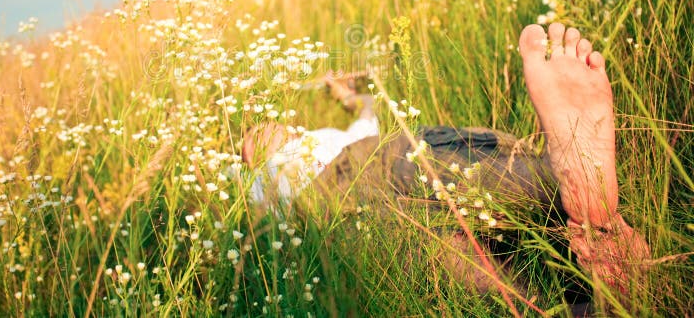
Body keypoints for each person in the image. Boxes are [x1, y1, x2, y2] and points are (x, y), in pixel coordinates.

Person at [241, 23, 650, 300]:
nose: (260, 130)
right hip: (330, 197)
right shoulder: (256, 181)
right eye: (250, 136)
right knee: (421, 246)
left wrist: (345, 91)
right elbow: (262, 230)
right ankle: (589, 270)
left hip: (380, 152)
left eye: (266, 126)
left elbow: (367, 109)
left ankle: (571, 187)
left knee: (454, 173)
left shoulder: (328, 136)